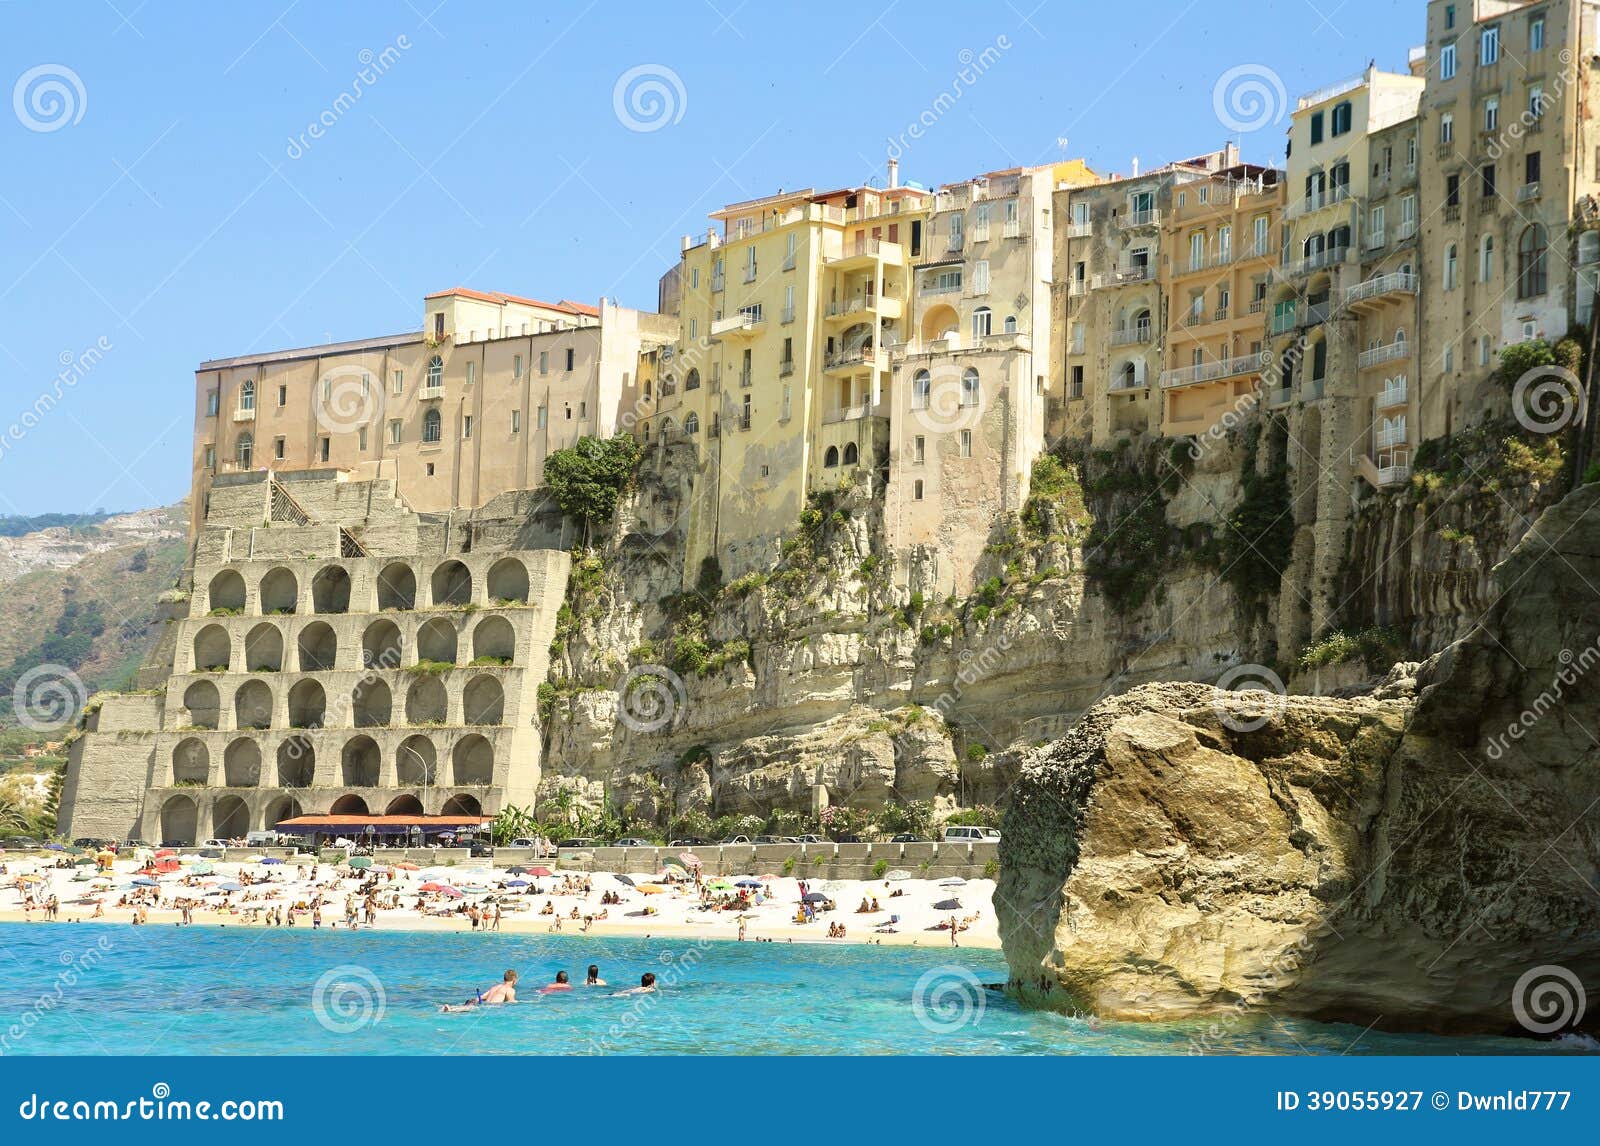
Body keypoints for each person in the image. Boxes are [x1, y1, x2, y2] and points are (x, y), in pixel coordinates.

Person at [441, 969, 518, 1011]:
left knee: (468, 1008)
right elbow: (511, 1003)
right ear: (514, 979)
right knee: (470, 1009)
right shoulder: (510, 990)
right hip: (492, 1008)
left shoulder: (494, 987)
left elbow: (480, 998)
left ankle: (451, 1008)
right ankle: (451, 1010)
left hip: (485, 1004)